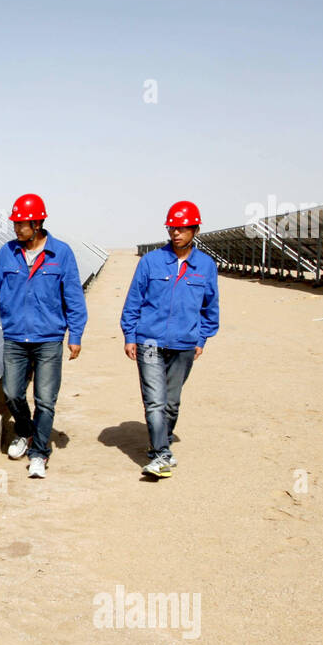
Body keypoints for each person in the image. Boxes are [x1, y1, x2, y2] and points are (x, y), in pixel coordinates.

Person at [0, 193, 87, 479]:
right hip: (16, 339)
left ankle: (39, 453)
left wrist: (75, 334)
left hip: (49, 339)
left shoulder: (61, 253)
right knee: (13, 393)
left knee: (45, 400)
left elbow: (75, 298)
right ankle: (25, 431)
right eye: (15, 223)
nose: (16, 228)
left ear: (37, 223)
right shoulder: (7, 252)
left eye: (22, 223)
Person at [119, 200, 220, 479]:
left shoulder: (205, 266)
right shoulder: (151, 261)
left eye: (183, 228)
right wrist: (130, 335)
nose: (176, 233)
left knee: (171, 402)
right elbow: (133, 301)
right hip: (149, 342)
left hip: (184, 345)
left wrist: (202, 339)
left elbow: (210, 308)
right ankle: (162, 454)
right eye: (172, 228)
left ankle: (160, 441)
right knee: (154, 401)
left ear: (195, 230)